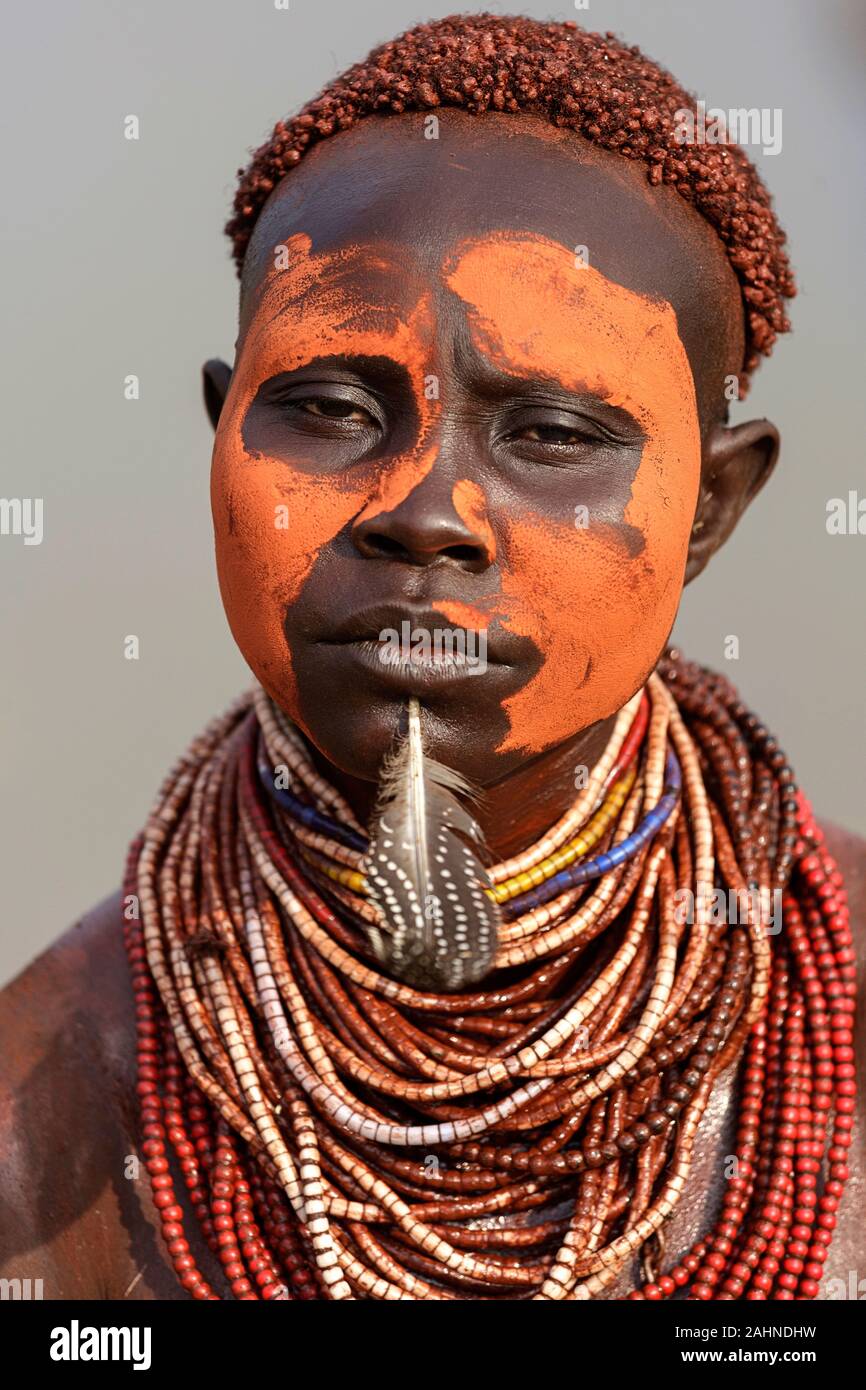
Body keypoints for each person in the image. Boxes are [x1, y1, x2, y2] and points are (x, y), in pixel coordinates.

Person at [1, 12, 862, 1302]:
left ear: (710, 513)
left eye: (556, 433)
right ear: (220, 432)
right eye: (333, 410)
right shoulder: (43, 1119)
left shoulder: (831, 1010)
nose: (428, 511)